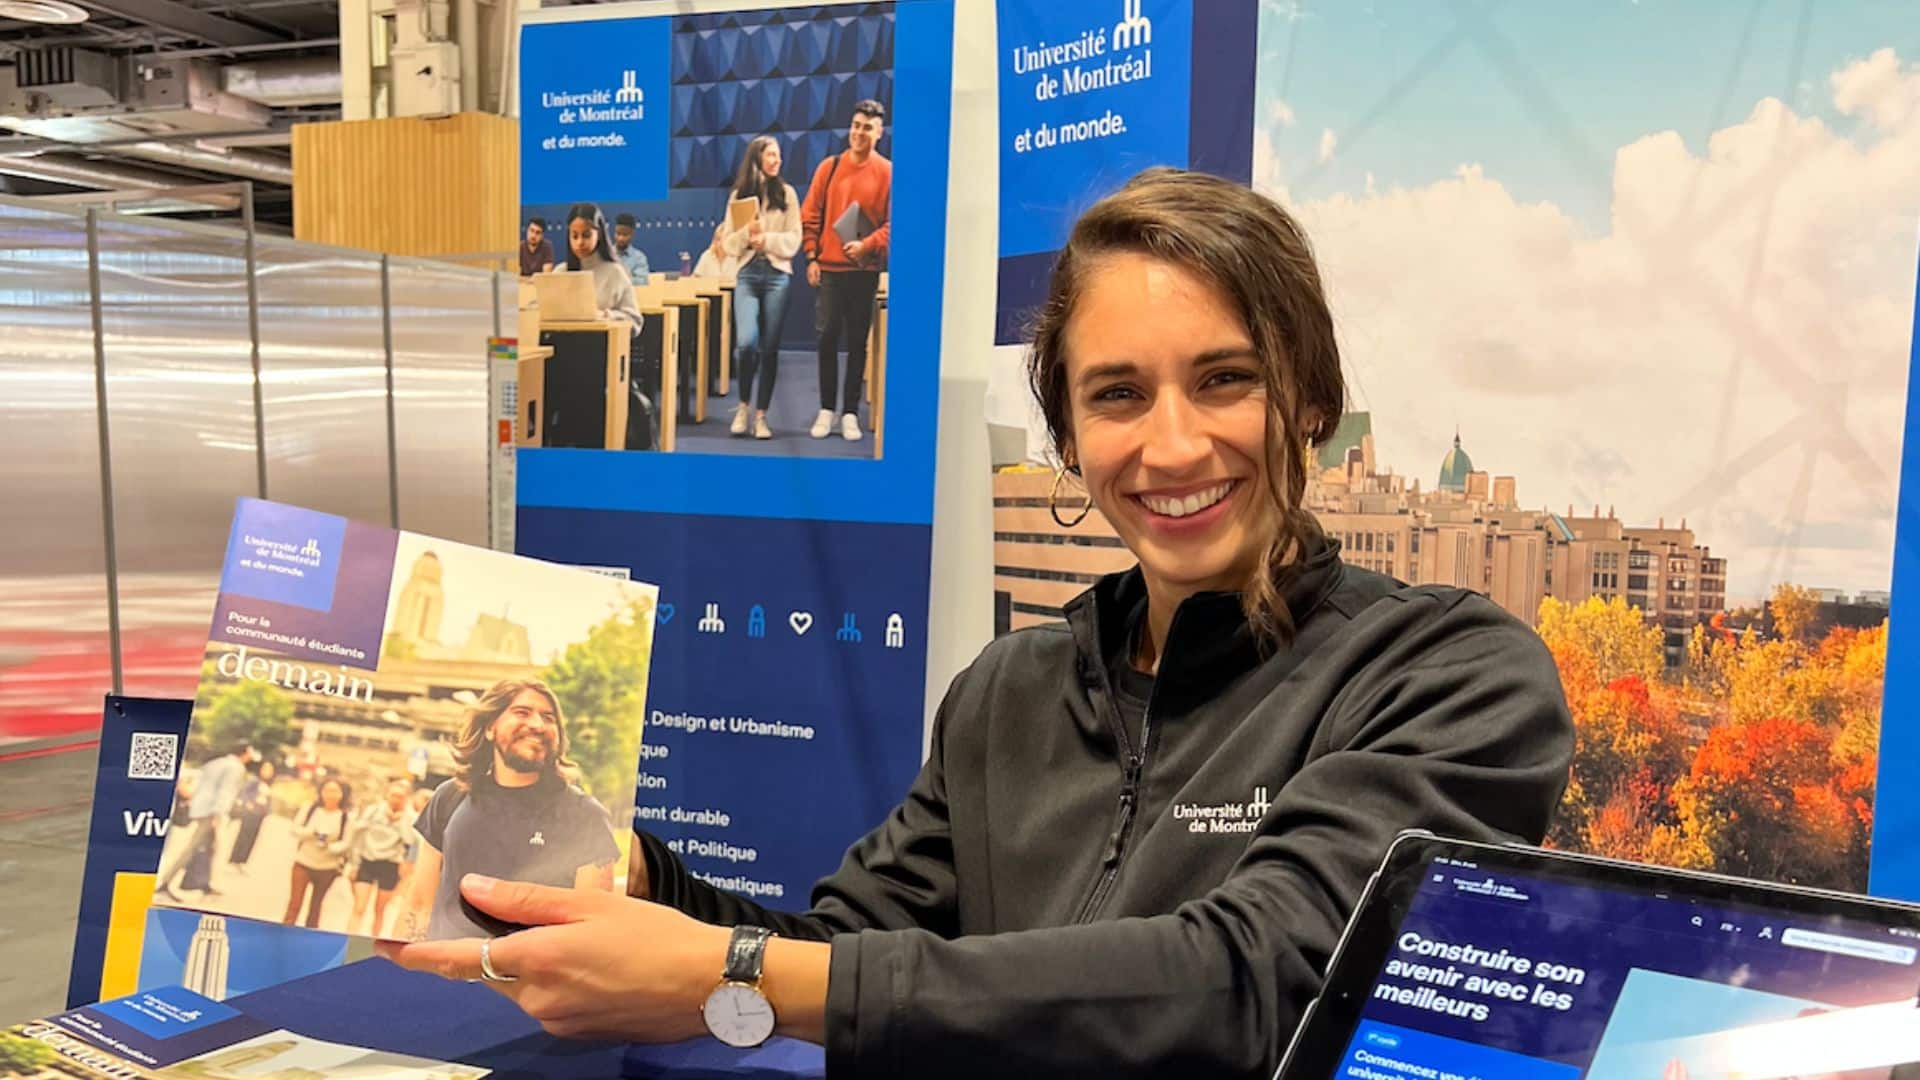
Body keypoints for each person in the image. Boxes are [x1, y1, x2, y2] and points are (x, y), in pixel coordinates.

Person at [382, 169, 1573, 1078]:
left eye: (1225, 379)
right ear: (1068, 434)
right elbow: (845, 943)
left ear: (1309, 397)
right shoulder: (1010, 690)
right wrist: (641, 883)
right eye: (1117, 395)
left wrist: (737, 973)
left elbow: (1259, 981)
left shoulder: (1452, 674)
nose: (1171, 445)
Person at [393, 678, 619, 942]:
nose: (537, 724)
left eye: (548, 717)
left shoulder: (586, 816)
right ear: (490, 727)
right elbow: (419, 903)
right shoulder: (450, 796)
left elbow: (590, 931)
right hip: (441, 974)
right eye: (522, 712)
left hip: (527, 980)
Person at [800, 98, 891, 442]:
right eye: (856, 125)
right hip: (829, 271)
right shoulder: (830, 167)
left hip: (864, 271)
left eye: (867, 127)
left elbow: (892, 223)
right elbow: (810, 214)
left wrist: (868, 245)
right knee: (826, 338)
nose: (859, 133)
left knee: (857, 343)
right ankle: (827, 409)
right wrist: (811, 257)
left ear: (879, 132)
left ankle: (850, 412)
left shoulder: (887, 172)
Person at [720, 136, 802, 441]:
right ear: (757, 158)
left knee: (769, 349)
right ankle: (742, 407)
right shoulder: (739, 196)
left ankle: (761, 417)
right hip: (748, 275)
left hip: (777, 276)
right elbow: (728, 243)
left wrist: (765, 239)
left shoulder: (788, 194)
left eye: (779, 155)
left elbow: (794, 240)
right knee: (746, 343)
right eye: (771, 155)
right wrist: (747, 236)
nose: (777, 160)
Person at [560, 202, 651, 450]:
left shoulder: (615, 273)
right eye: (574, 236)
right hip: (564, 358)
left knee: (585, 390)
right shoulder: (560, 273)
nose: (579, 242)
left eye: (586, 235)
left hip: (601, 359)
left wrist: (607, 316)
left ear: (600, 234)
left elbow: (635, 320)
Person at [154, 742, 253, 901]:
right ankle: (166, 882)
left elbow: (200, 784)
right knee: (197, 847)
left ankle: (203, 883)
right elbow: (225, 792)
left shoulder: (216, 763)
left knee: (207, 847)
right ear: (243, 753)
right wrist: (219, 815)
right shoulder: (235, 767)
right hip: (212, 812)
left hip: (200, 808)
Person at [348, 779, 417, 937]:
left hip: (390, 865)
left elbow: (410, 841)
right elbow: (358, 836)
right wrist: (354, 863)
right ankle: (349, 940)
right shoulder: (374, 811)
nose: (396, 799)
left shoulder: (410, 818)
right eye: (393, 795)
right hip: (367, 861)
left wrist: (400, 820)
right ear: (387, 794)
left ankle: (373, 943)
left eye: (401, 796)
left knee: (379, 909)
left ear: (406, 799)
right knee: (359, 906)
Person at [283, 778, 351, 929]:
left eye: (335, 791)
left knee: (315, 908)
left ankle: (309, 940)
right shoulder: (311, 809)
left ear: (342, 794)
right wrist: (310, 833)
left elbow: (346, 842)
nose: (330, 795)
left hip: (327, 867)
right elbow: (294, 829)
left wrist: (331, 847)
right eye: (327, 790)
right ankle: (284, 934)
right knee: (295, 904)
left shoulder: (345, 817)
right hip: (304, 861)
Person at [226, 759, 275, 872]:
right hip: (250, 813)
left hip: (259, 815)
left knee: (252, 839)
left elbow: (269, 802)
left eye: (270, 770)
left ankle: (242, 861)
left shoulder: (269, 785)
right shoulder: (254, 781)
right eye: (266, 769)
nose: (268, 772)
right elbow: (243, 793)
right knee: (243, 836)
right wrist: (248, 804)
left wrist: (267, 811)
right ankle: (234, 860)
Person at [613, 213, 651, 287]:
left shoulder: (639, 258)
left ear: (632, 235)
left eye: (625, 235)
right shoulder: (606, 254)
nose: (620, 238)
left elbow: (643, 282)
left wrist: (620, 279)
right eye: (618, 234)